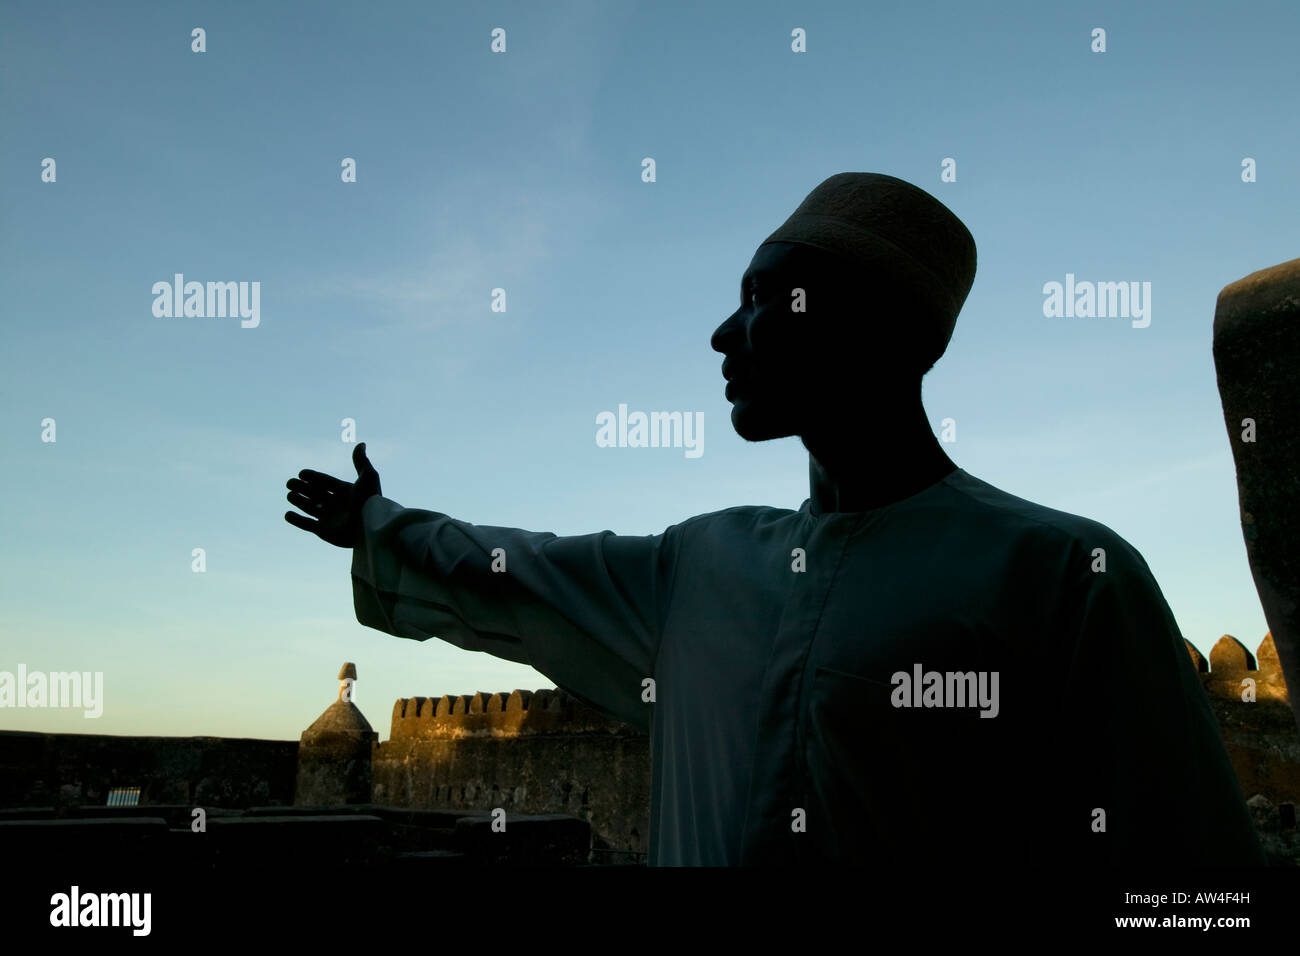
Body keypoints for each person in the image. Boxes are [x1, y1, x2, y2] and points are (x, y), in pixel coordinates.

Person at [285, 173, 1265, 868]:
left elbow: (1191, 875)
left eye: (762, 298)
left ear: (875, 325)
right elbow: (514, 567)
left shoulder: (1058, 574)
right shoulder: (705, 562)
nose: (722, 333)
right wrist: (381, 519)